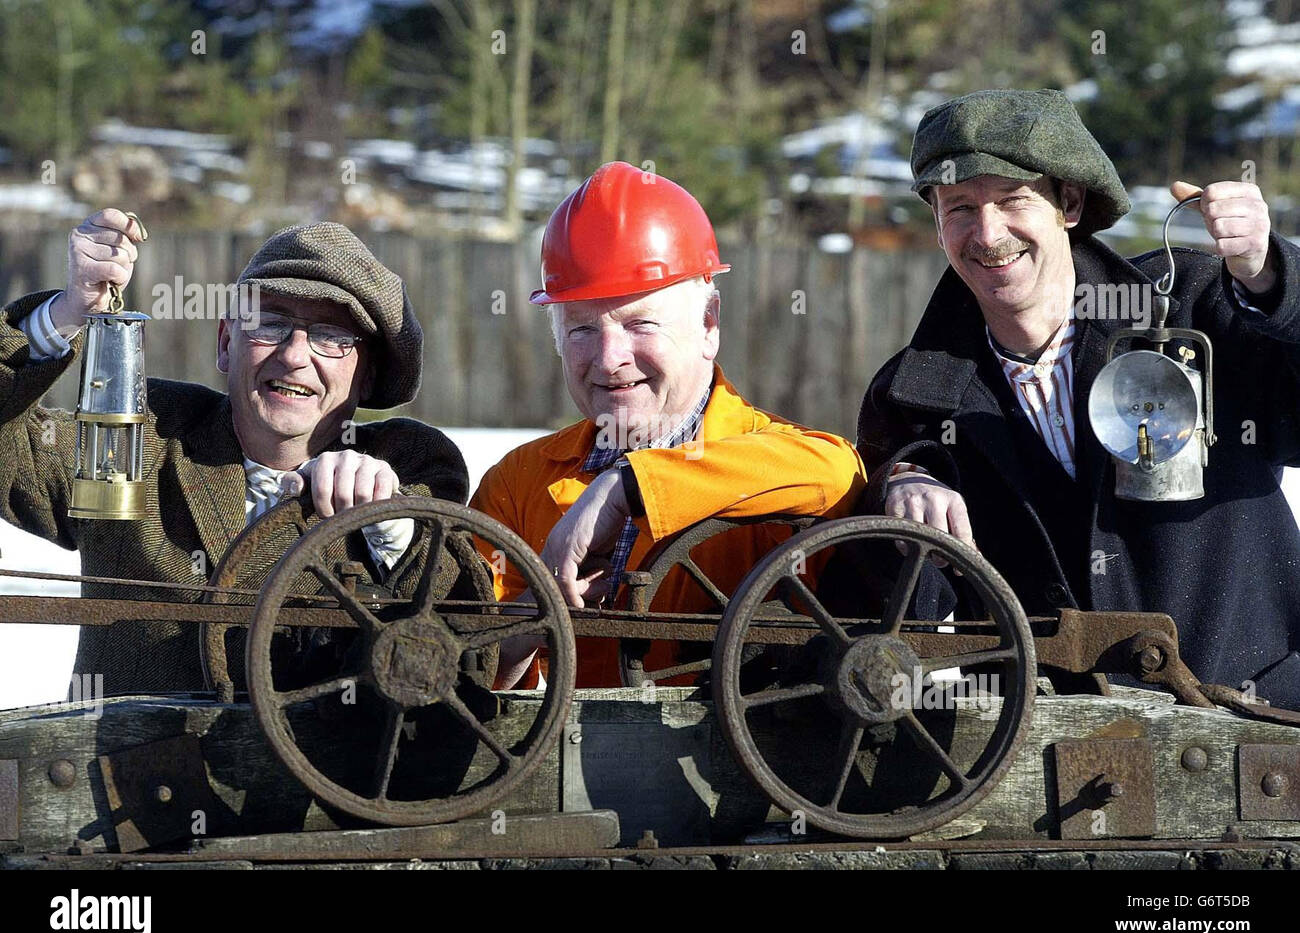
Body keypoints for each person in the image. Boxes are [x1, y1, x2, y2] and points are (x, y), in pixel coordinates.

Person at [857, 88, 1300, 706]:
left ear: (1068, 202)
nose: (987, 234)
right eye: (959, 207)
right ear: (935, 221)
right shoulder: (910, 395)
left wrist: (1270, 276)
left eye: (1012, 200)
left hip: (1260, 727)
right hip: (1059, 764)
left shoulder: (1196, 308)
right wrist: (895, 499)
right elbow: (897, 623)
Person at [0, 209, 469, 693]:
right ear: (226, 342)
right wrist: (62, 317)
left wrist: (392, 525)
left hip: (314, 770)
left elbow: (467, 648)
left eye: (332, 338)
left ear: (367, 374)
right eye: (269, 324)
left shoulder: (413, 466)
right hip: (128, 766)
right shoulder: (139, 434)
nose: (293, 355)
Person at [471, 162, 867, 688]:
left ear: (709, 325)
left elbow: (841, 472)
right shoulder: (518, 483)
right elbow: (465, 674)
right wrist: (533, 617)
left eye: (641, 323)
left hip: (736, 768)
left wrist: (629, 485)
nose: (609, 358)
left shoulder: (773, 459)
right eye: (582, 329)